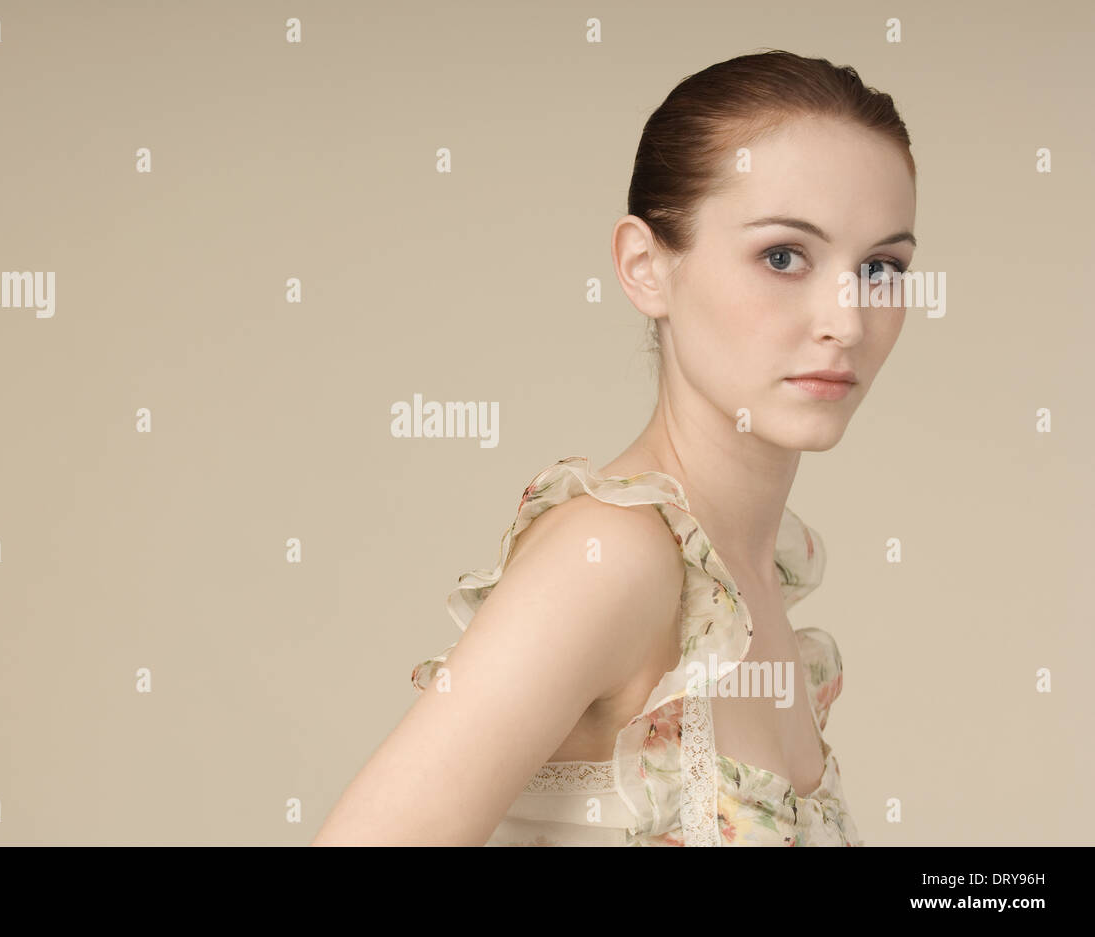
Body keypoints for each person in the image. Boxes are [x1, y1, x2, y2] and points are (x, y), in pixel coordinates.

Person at [313, 49, 916, 846]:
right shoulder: (612, 557)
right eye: (782, 257)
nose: (846, 319)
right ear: (645, 267)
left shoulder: (761, 579)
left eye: (879, 268)